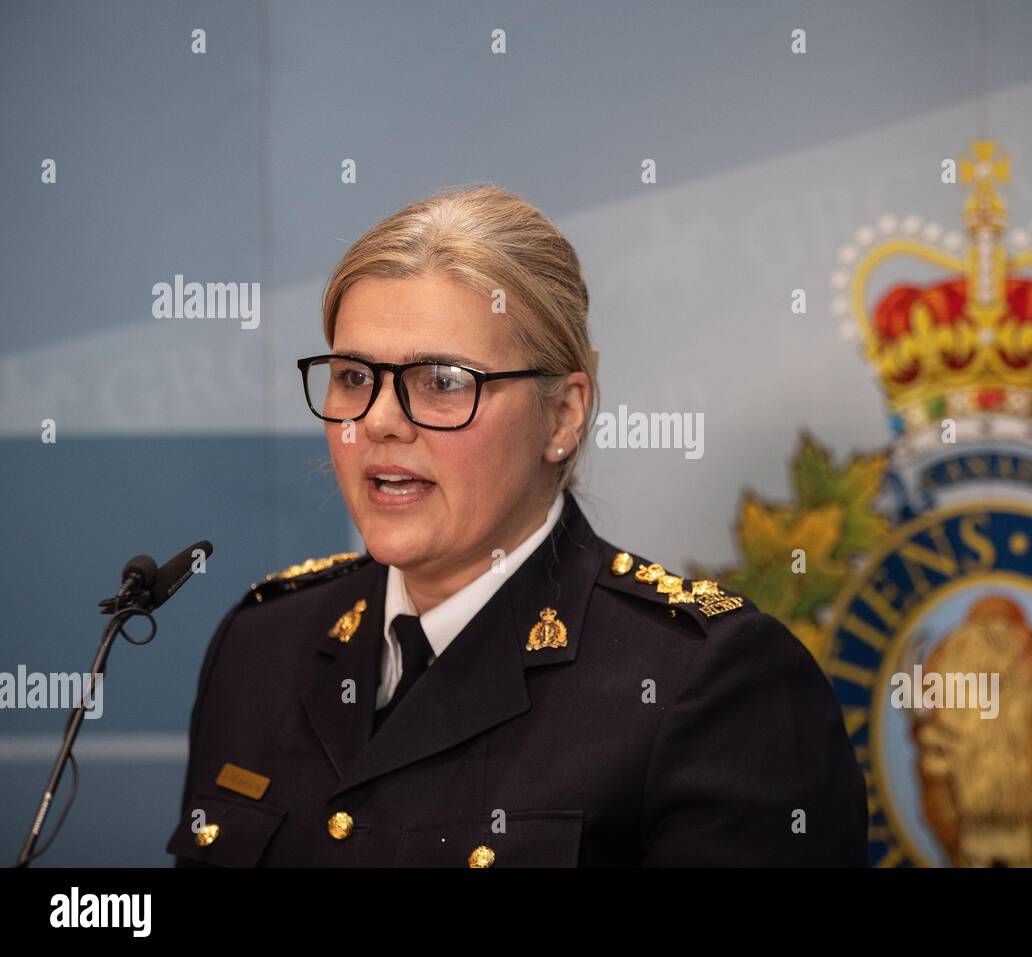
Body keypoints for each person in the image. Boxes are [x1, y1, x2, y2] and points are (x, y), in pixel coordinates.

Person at [167, 185, 868, 866]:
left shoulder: (709, 687)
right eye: (353, 376)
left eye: (442, 381)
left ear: (562, 415)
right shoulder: (261, 645)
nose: (377, 420)